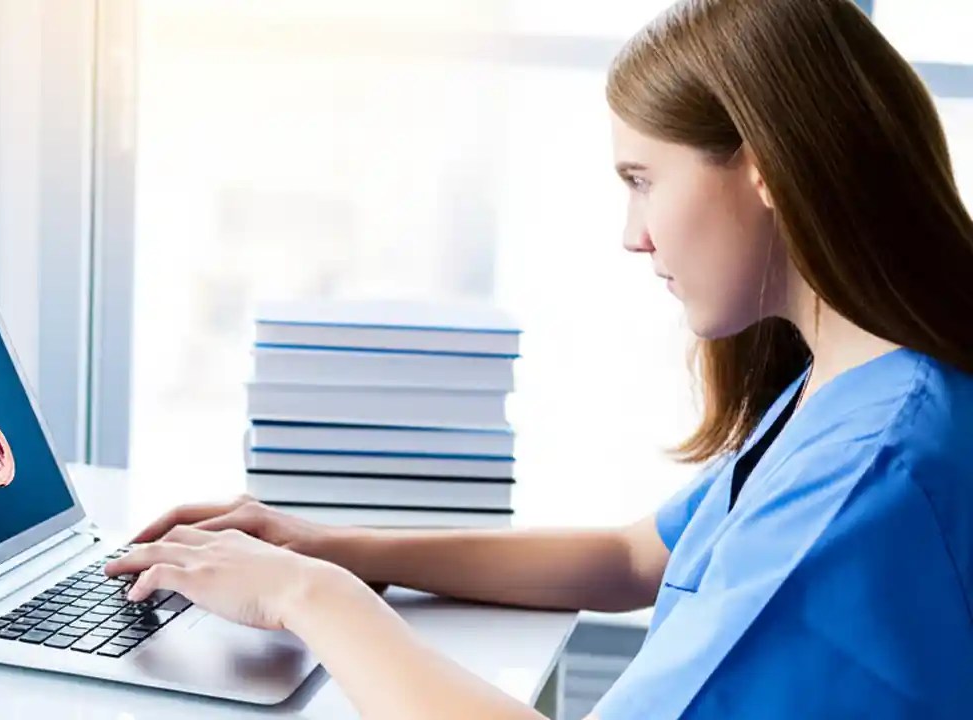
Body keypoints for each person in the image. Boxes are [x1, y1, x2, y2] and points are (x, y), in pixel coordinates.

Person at [105, 0, 973, 716]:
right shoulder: (857, 386)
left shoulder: (873, 470)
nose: (632, 236)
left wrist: (304, 597)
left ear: (765, 170)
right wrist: (339, 549)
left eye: (643, 180)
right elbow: (639, 558)